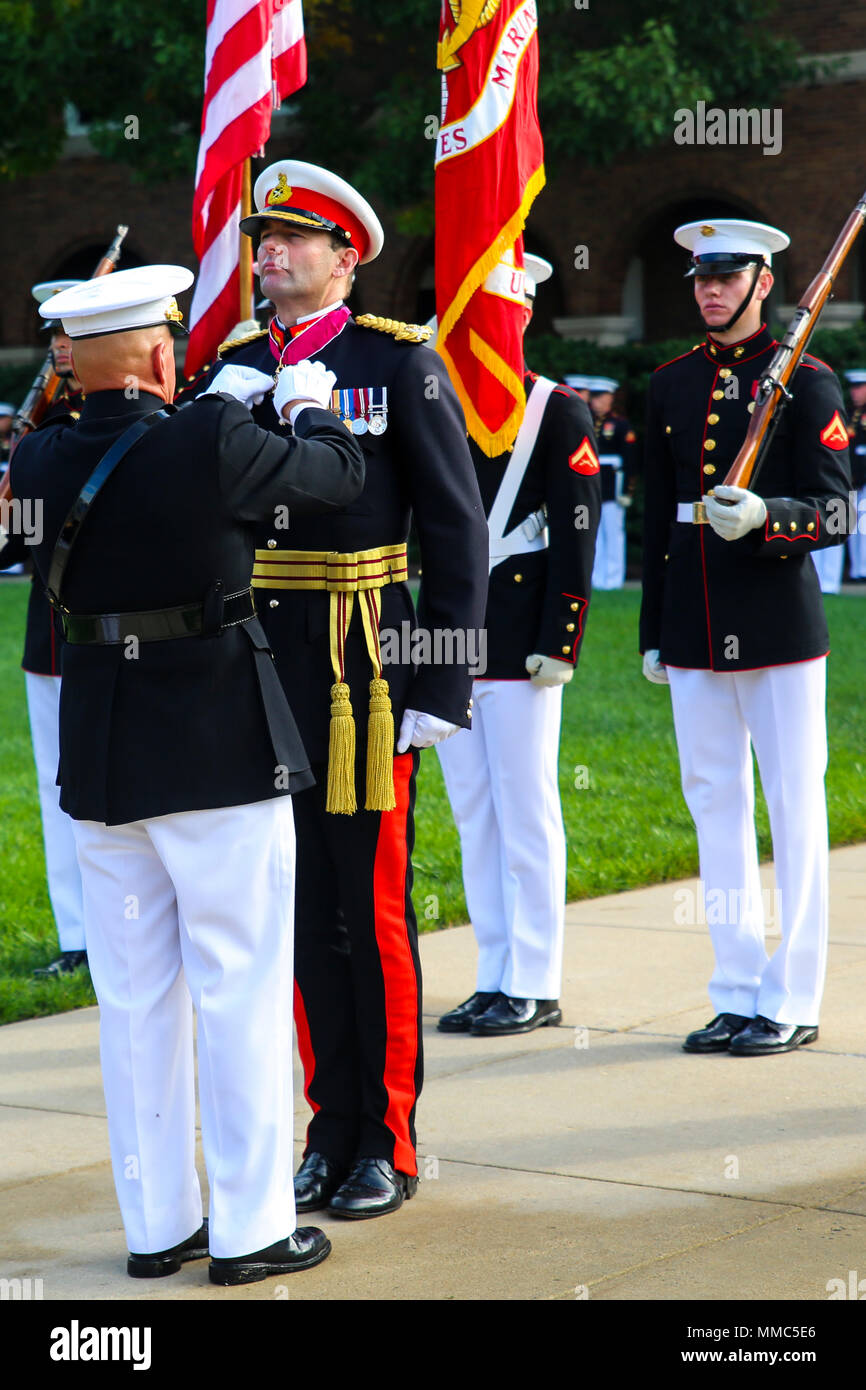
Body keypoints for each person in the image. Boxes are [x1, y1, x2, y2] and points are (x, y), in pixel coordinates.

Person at [10, 264, 366, 1283]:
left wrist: (215, 419)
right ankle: (252, 1229)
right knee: (239, 988)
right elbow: (333, 481)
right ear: (164, 354)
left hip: (103, 760)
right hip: (214, 750)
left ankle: (157, 1223)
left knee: (133, 1005)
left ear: (74, 361)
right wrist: (305, 404)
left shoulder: (36, 457)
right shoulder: (208, 440)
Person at [206, 160, 488, 1219]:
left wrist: (445, 678)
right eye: (262, 236)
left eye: (294, 237)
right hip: (258, 665)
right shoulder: (234, 366)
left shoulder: (396, 362)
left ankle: (387, 1137)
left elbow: (454, 530)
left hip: (364, 665)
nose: (270, 252)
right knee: (290, 904)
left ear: (345, 256)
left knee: (366, 908)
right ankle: (325, 1129)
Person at [640, 218, 851, 1057]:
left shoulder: (808, 382)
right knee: (715, 809)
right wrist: (655, 630)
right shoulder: (672, 385)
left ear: (765, 282)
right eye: (700, 277)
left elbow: (834, 511)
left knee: (795, 808)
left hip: (778, 629)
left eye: (728, 276)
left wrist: (772, 517)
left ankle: (792, 996)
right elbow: (660, 519)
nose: (710, 290)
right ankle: (734, 987)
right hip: (694, 625)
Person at [436, 252, 601, 1037]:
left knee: (526, 808)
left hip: (521, 638)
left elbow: (577, 536)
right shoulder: (441, 408)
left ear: (523, 318)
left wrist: (561, 639)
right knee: (474, 812)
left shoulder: (556, 411)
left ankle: (535, 977)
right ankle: (493, 970)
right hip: (453, 642)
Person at [2, 281, 89, 978]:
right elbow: (25, 539)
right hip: (49, 633)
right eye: (54, 330)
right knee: (58, 785)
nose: (59, 341)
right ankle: (77, 934)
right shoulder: (42, 418)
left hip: (110, 624)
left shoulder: (125, 413)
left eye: (72, 328)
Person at [589, 376, 637, 589]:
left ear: (609, 398)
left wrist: (628, 490)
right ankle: (597, 578)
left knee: (613, 531)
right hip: (594, 481)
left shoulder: (619, 424)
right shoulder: (588, 421)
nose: (595, 401)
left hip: (613, 482)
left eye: (600, 397)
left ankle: (614, 578)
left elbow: (630, 459)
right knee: (595, 532)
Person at [843, 368, 866, 581]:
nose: (855, 392)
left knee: (864, 529)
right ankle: (857, 571)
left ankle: (863, 570)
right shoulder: (849, 414)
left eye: (859, 387)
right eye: (853, 388)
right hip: (852, 480)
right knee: (852, 528)